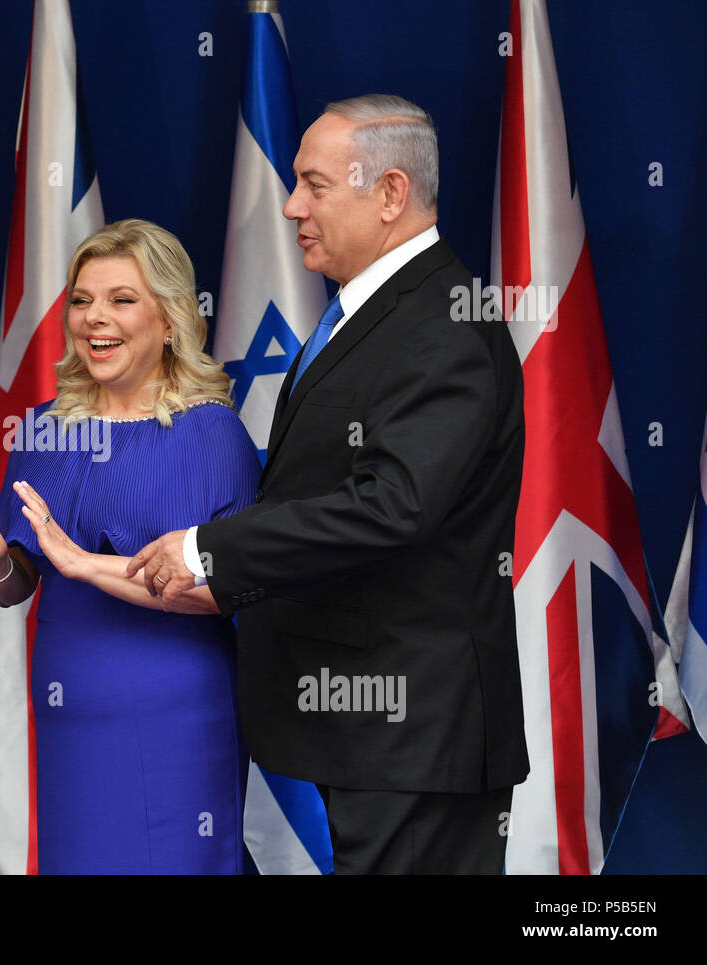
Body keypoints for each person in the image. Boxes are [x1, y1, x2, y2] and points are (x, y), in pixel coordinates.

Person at [129, 95, 530, 874]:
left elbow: (393, 505)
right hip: (367, 734)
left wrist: (212, 551)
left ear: (389, 193)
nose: (291, 206)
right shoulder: (373, 314)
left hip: (413, 737)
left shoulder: (445, 324)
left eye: (314, 185)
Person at [0, 219, 261, 874]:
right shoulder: (44, 430)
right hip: (71, 711)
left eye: (121, 299)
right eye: (82, 299)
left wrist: (82, 562)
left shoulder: (213, 435)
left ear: (169, 319)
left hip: (179, 713)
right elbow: (16, 584)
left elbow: (227, 589)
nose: (94, 318)